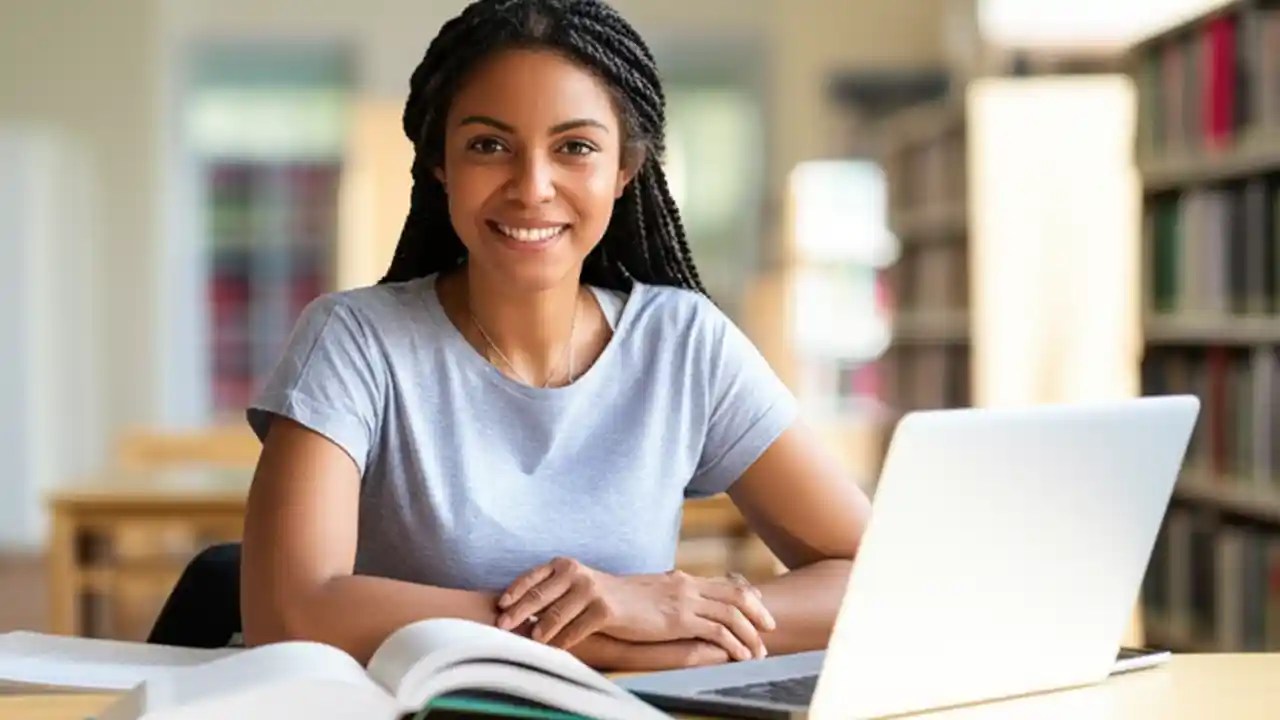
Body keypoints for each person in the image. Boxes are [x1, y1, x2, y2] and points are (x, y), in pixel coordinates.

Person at [239, 0, 872, 672]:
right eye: (489, 146)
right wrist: (629, 631)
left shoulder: (685, 345)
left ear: (625, 169)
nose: (532, 187)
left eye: (575, 147)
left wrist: (663, 613)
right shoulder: (354, 342)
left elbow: (873, 576)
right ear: (440, 165)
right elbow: (288, 615)